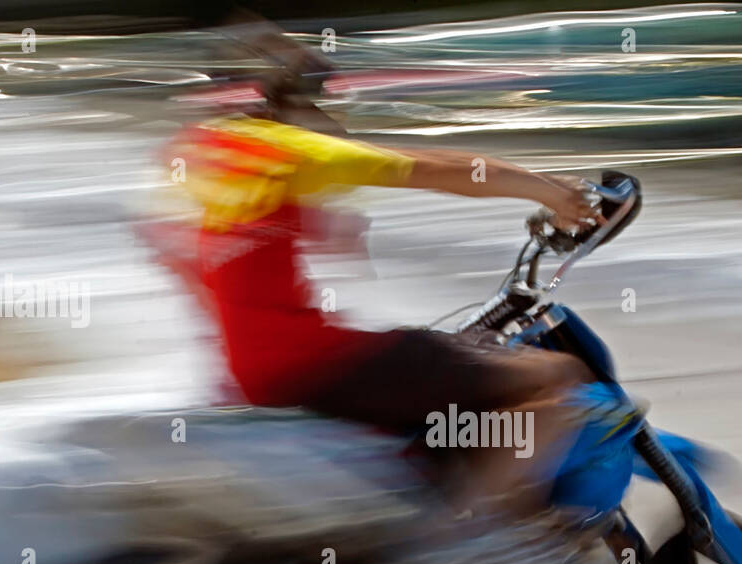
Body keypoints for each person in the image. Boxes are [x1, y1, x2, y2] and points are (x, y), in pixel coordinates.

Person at [164, 18, 602, 518]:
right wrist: (552, 193)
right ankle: (470, 547)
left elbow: (179, 256)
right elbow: (441, 170)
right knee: (558, 377)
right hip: (310, 364)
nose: (325, 113)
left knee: (440, 358)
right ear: (280, 101)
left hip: (249, 377)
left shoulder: (198, 153)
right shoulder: (289, 151)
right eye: (314, 99)